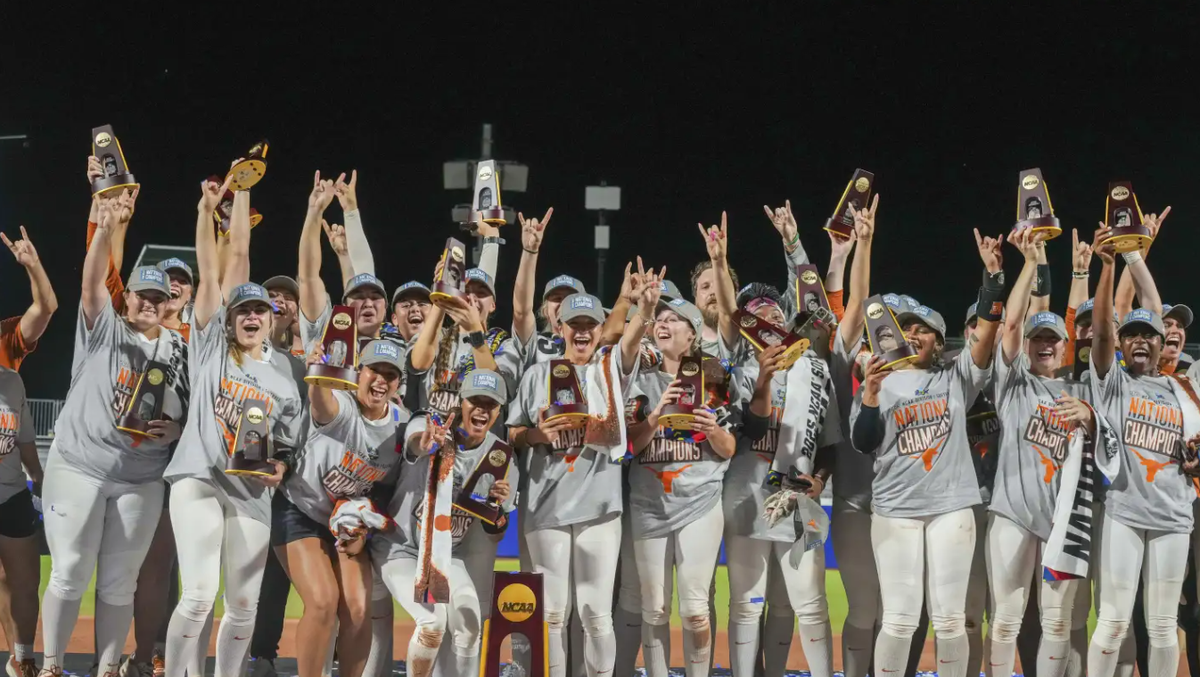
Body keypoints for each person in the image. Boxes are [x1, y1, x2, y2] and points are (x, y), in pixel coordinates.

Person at [39, 195, 189, 677]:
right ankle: (51, 666)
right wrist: (104, 228)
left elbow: (194, 408)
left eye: (158, 297)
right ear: (126, 297)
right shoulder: (103, 327)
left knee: (119, 585)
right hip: (79, 465)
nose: (148, 302)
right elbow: (89, 283)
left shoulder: (179, 348)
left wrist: (180, 427)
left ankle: (106, 669)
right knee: (69, 572)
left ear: (169, 305)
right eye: (141, 294)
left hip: (141, 476)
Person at [161, 179, 303, 677]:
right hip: (198, 478)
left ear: (272, 318)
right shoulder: (210, 348)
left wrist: (281, 467)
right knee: (199, 595)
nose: (250, 315)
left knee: (243, 606)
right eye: (241, 308)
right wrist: (214, 207)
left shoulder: (286, 373)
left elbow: (288, 443)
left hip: (251, 493)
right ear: (228, 318)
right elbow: (224, 260)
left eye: (259, 309)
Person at [849, 226, 1005, 677]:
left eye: (924, 331)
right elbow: (863, 442)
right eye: (905, 328)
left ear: (939, 341)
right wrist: (873, 395)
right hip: (895, 509)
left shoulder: (957, 377)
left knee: (950, 619)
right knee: (898, 619)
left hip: (952, 506)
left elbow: (987, 334)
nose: (913, 336)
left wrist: (992, 282)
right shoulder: (879, 379)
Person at [704, 213, 843, 677]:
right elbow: (753, 423)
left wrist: (820, 481)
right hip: (746, 494)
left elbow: (829, 442)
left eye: (774, 307)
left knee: (811, 602)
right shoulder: (738, 367)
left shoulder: (817, 367)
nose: (768, 312)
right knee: (745, 603)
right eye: (756, 309)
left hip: (799, 498)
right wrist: (720, 263)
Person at [508, 267, 661, 677]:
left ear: (598, 330)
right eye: (573, 323)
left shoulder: (608, 373)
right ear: (559, 328)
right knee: (553, 614)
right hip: (546, 507)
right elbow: (514, 433)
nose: (581, 331)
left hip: (600, 505)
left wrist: (643, 310)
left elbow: (629, 342)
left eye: (589, 324)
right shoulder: (537, 374)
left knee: (596, 613)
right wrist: (537, 434)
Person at [1086, 219, 1197, 677]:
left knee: (1164, 625)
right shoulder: (1112, 384)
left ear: (1160, 344)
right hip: (1125, 514)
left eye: (1148, 335)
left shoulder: (1182, 388)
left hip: (1174, 516)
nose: (1138, 340)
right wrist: (1114, 263)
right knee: (1112, 622)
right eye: (1130, 334)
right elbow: (1102, 330)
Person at [984, 228, 1095, 677]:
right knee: (1006, 620)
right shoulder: (1013, 383)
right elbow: (1011, 323)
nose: (1045, 344)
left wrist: (1088, 412)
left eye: (1053, 339)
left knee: (1057, 621)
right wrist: (1029, 262)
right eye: (1037, 340)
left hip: (1062, 521)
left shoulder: (1081, 390)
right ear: (1027, 347)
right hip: (1011, 513)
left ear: (1067, 347)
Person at [276, 339, 408, 677]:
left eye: (390, 375)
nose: (381, 380)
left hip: (348, 522)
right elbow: (322, 405)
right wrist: (318, 378)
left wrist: (364, 526)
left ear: (399, 383)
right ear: (358, 372)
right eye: (374, 370)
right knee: (322, 603)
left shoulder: (400, 425)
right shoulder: (344, 407)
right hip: (300, 509)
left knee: (358, 608)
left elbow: (386, 488)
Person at [373, 369, 516, 677]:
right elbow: (415, 442)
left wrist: (498, 508)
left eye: (489, 404)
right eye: (474, 401)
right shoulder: (432, 425)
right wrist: (424, 443)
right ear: (460, 404)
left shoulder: (501, 457)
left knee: (469, 622)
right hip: (401, 549)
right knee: (433, 622)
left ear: (498, 411)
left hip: (446, 557)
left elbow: (496, 531)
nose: (481, 409)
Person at [626, 296, 734, 677]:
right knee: (653, 606)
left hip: (700, 501)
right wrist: (655, 416)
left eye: (674, 319)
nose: (663, 324)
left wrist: (713, 429)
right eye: (659, 318)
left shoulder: (714, 376)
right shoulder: (638, 377)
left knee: (694, 608)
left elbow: (729, 448)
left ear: (692, 333)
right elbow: (630, 447)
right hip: (648, 503)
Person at [0, 224, 55, 677]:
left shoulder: (10, 372)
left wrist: (32, 265)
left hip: (12, 491)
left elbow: (46, 307)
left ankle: (22, 659)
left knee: (23, 581)